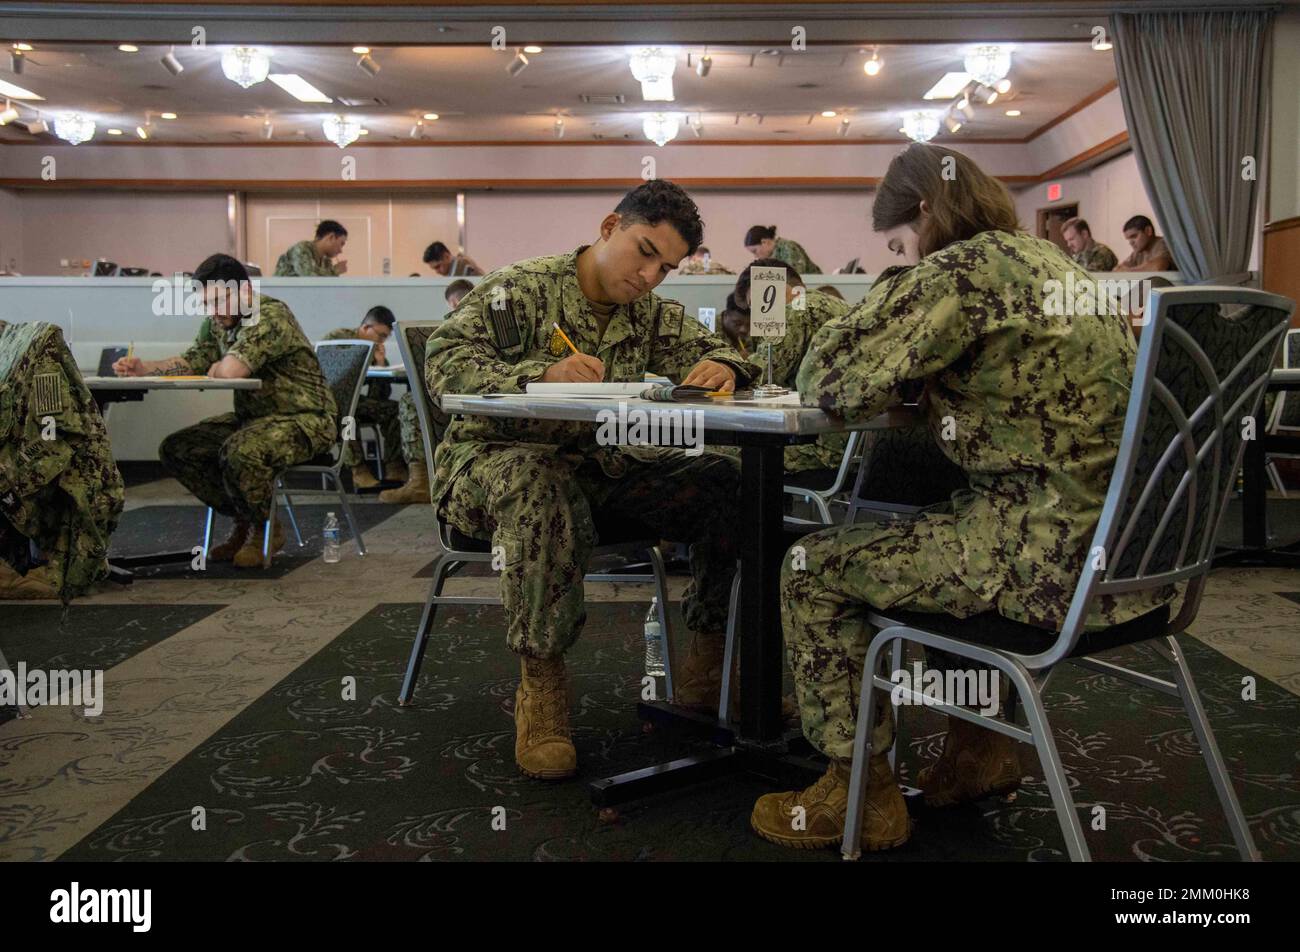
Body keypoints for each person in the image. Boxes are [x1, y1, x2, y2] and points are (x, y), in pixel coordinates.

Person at [749, 143, 1175, 852]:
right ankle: (978, 750)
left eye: (908, 238)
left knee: (808, 569)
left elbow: (825, 378)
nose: (913, 251)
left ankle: (860, 793)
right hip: (1127, 555)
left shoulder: (962, 269)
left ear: (925, 210)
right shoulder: (1059, 265)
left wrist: (884, 305)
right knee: (938, 517)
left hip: (1043, 559)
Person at [425, 179, 760, 780]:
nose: (652, 275)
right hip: (494, 463)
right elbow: (445, 364)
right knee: (537, 482)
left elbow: (726, 349)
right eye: (645, 251)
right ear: (610, 227)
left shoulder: (649, 313)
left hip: (601, 470)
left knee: (729, 481)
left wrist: (725, 363)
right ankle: (542, 684)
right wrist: (539, 373)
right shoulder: (519, 290)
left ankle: (709, 667)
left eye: (669, 267)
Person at [114, 255, 336, 569]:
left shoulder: (268, 315)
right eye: (207, 303)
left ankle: (266, 531)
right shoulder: (218, 321)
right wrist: (145, 367)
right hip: (255, 418)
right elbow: (195, 359)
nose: (214, 311)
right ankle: (245, 519)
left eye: (220, 300)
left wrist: (218, 367)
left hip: (305, 419)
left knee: (240, 451)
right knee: (179, 449)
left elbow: (232, 371)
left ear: (245, 289)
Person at [0, 320, 124, 600]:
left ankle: (14, 567)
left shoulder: (32, 349)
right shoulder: (12, 347)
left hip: (33, 480)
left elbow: (53, 440)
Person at [720, 259, 851, 473]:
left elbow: (760, 376)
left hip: (824, 449)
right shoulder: (831, 304)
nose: (759, 313)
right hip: (855, 446)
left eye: (755, 303)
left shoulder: (795, 312)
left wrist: (722, 368)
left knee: (711, 452)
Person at [321, 306, 406, 490]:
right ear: (367, 327)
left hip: (356, 401)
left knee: (394, 409)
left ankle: (394, 466)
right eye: (381, 335)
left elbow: (380, 396)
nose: (382, 340)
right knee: (346, 415)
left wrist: (381, 362)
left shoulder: (375, 350)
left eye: (386, 337)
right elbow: (329, 378)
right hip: (331, 401)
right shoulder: (339, 339)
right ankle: (358, 470)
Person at [274, 220, 348, 276]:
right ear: (331, 237)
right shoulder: (301, 249)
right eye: (341, 244)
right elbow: (308, 276)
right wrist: (334, 271)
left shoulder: (326, 261)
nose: (340, 250)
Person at [743, 225, 821, 274]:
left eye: (755, 251)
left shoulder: (789, 248)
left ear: (764, 242)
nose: (755, 256)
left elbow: (795, 276)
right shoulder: (771, 258)